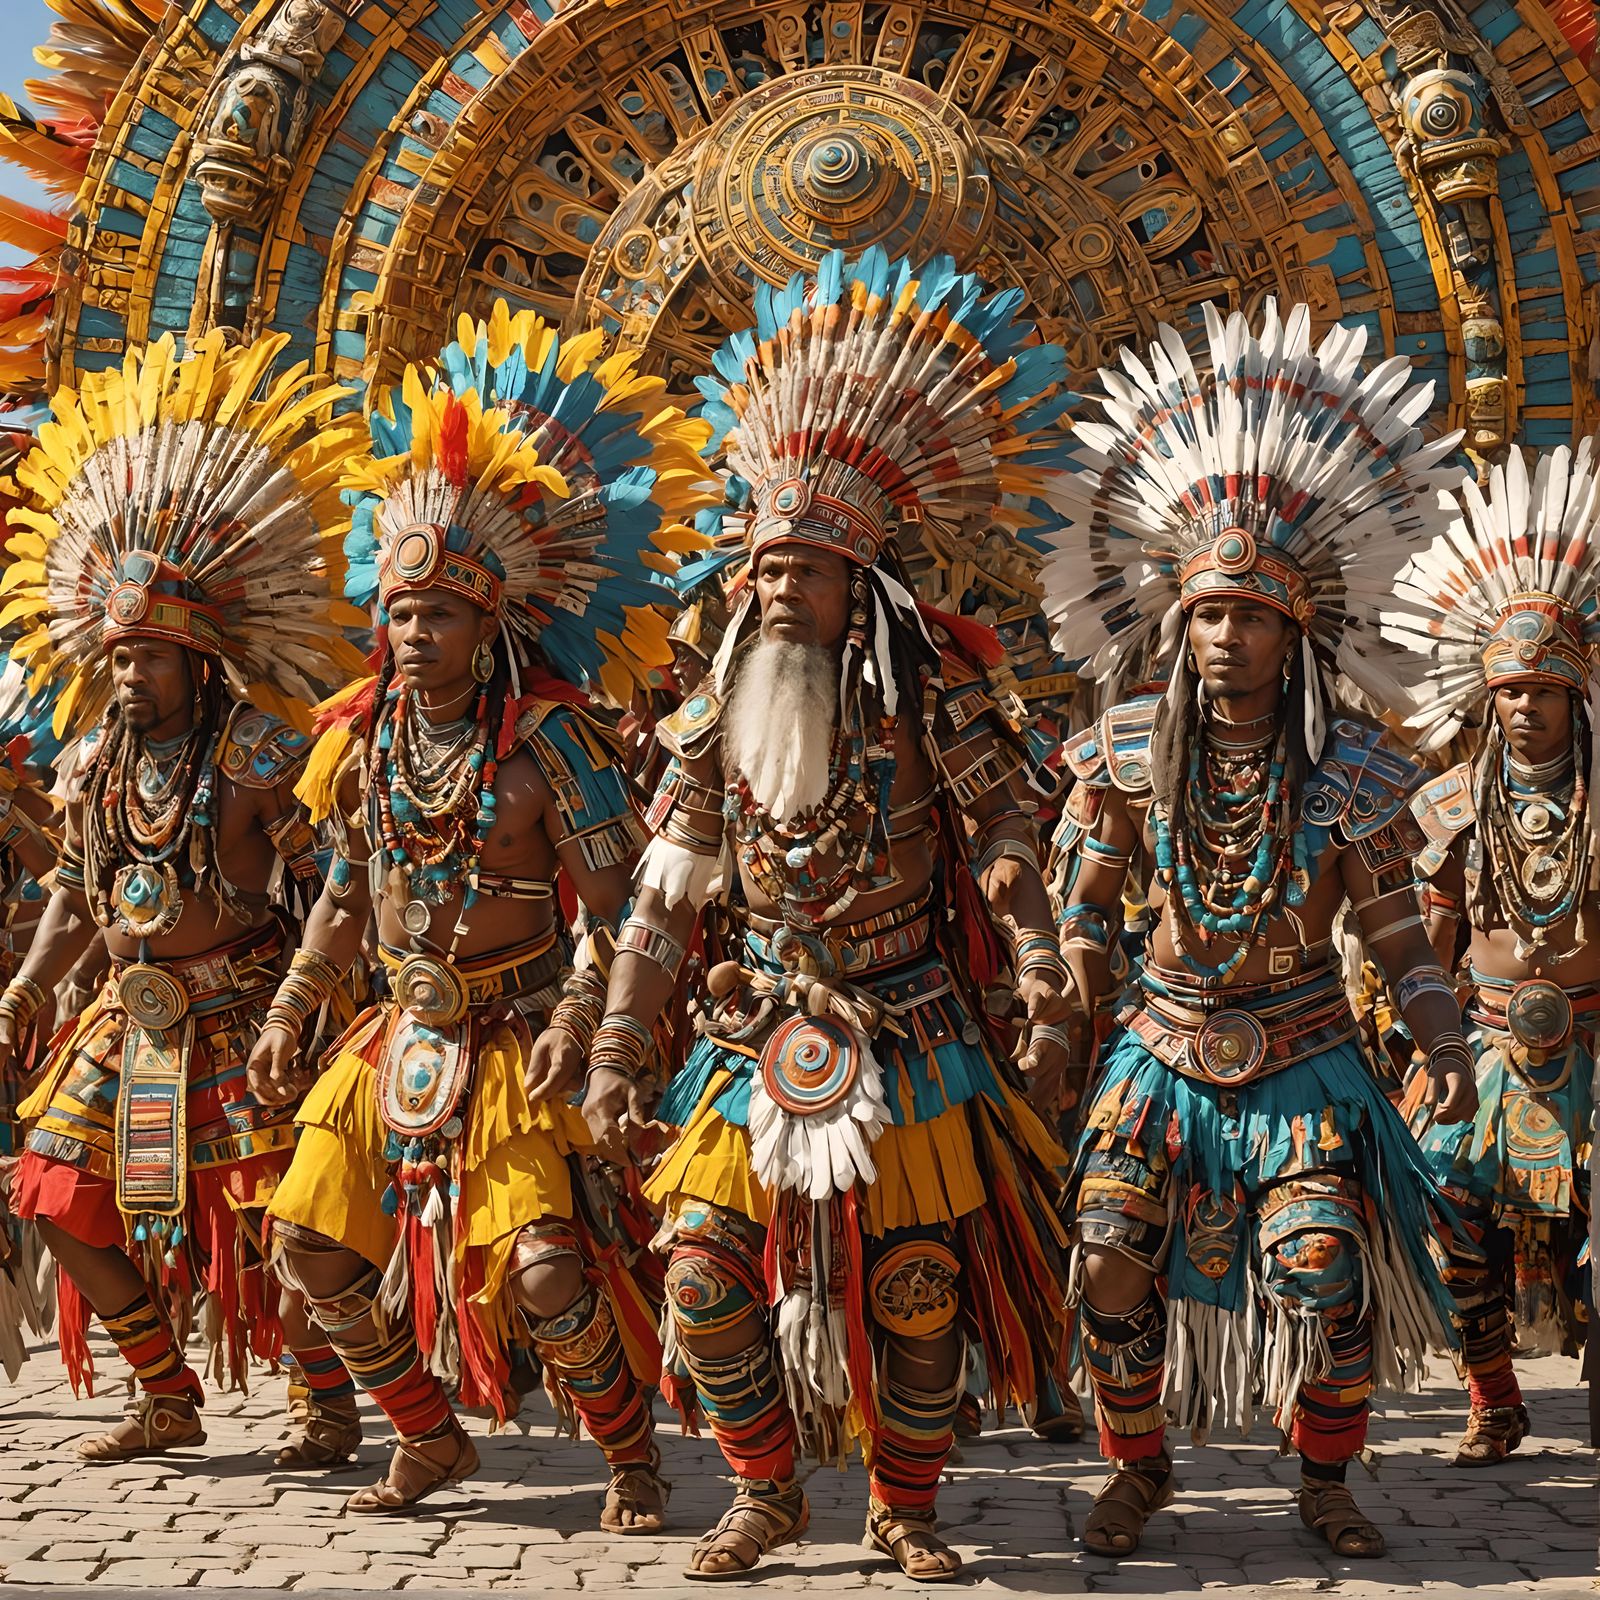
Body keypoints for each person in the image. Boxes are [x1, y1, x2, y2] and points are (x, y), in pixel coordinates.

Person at [584, 249, 1076, 1582]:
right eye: (761, 569)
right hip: (750, 1035)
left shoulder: (933, 705)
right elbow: (659, 907)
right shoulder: (710, 728)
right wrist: (619, 1055)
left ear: (860, 585)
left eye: (803, 571)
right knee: (697, 1272)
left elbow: (1006, 843)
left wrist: (1038, 955)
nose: (775, 590)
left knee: (918, 1292)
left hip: (909, 1026)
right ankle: (762, 1492)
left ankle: (904, 1504)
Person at [247, 306, 712, 1520]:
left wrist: (578, 1022)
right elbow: (346, 893)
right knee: (303, 1244)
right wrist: (297, 1007)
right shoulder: (363, 742)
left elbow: (621, 909)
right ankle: (425, 1432)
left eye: (438, 616)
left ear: (490, 621)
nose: (413, 636)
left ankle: (628, 1452)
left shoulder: (554, 742)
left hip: (515, 1034)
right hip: (394, 1032)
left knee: (550, 1272)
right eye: (399, 617)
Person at [1041, 301, 1480, 1560]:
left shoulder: (1351, 770)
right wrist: (1065, 990)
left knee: (1323, 1269)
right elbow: (1084, 905)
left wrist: (1439, 1033)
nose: (1225, 637)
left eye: (1250, 617)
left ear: (1294, 632)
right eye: (1207, 615)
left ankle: (1325, 1477)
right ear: (1175, 623)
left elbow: (1398, 939)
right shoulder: (1125, 755)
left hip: (1301, 1053)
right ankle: (1137, 1466)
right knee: (1110, 1258)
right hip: (1161, 1051)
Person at [0, 330, 371, 1464]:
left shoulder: (259, 753)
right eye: (117, 657)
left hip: (242, 1007)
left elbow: (335, 876)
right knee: (56, 1194)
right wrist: (24, 985)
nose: (127, 676)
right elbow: (71, 888)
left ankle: (327, 1399)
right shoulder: (93, 762)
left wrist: (301, 1005)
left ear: (199, 665)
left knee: (274, 1215)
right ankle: (165, 1393)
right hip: (128, 1013)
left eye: (149, 659)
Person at [1383, 444, 1599, 1463]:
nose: (1523, 706)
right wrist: (1420, 1050)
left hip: (1592, 1043)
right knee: (1448, 1211)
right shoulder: (1453, 806)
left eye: (1542, 689)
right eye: (1508, 690)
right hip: (1482, 1041)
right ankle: (1493, 1395)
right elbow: (1426, 943)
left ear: (1574, 696)